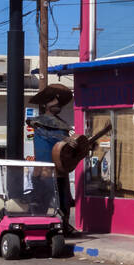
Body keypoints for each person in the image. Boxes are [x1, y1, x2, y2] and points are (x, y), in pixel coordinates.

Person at [28, 84, 81, 236]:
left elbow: (67, 147)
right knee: (41, 202)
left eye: (59, 101)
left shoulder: (63, 125)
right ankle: (38, 226)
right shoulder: (38, 122)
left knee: (65, 202)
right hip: (44, 171)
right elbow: (47, 135)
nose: (57, 104)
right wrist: (65, 138)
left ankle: (64, 226)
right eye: (54, 100)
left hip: (61, 170)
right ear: (45, 103)